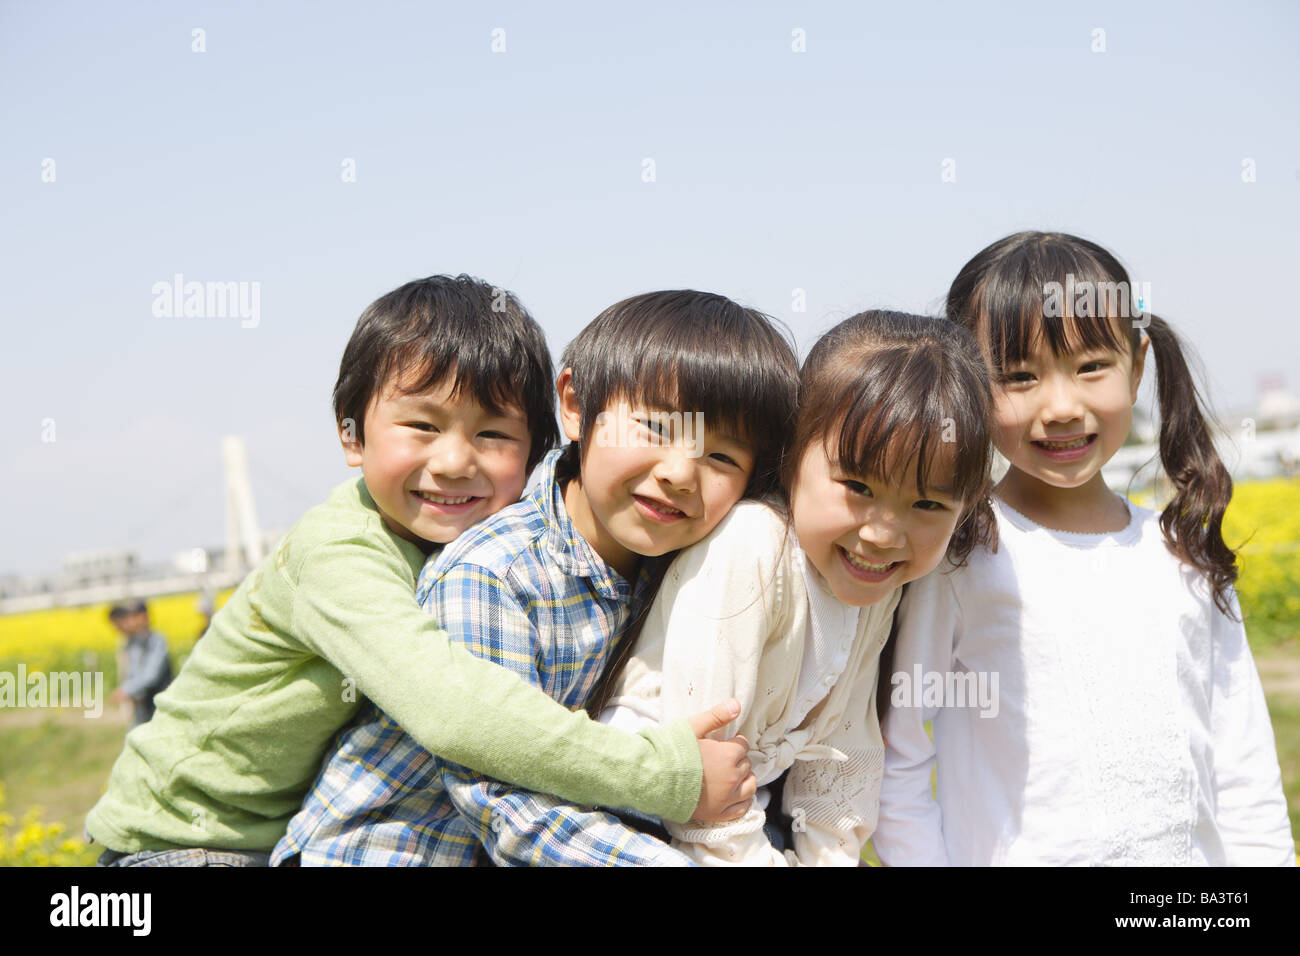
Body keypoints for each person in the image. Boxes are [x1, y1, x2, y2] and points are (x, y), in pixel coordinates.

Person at [86, 276, 754, 867]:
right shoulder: (339, 552)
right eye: (421, 426)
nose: (456, 461)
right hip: (184, 842)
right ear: (352, 436)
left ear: (537, 446)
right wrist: (664, 775)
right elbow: (454, 709)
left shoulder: (503, 545)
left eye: (493, 435)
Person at [273, 289, 798, 866]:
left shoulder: (683, 565)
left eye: (722, 458)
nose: (678, 473)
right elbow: (508, 804)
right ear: (574, 407)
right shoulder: (492, 575)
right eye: (652, 429)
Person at [873, 232, 1297, 866]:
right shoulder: (960, 557)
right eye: (1018, 377)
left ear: (1138, 362)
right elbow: (899, 761)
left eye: (1091, 366)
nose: (1062, 407)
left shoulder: (1183, 554)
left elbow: (1245, 770)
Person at [596, 310, 995, 865]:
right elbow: (699, 779)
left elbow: (843, 756)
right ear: (791, 459)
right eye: (857, 486)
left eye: (928, 504)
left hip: (744, 817)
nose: (881, 534)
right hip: (634, 811)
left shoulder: (874, 585)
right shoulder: (753, 548)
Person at [108, 599, 173, 727]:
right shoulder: (131, 643)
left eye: (132, 617)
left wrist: (126, 690)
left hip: (159, 706)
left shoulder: (157, 640)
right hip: (141, 707)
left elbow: (151, 675)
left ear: (143, 617)